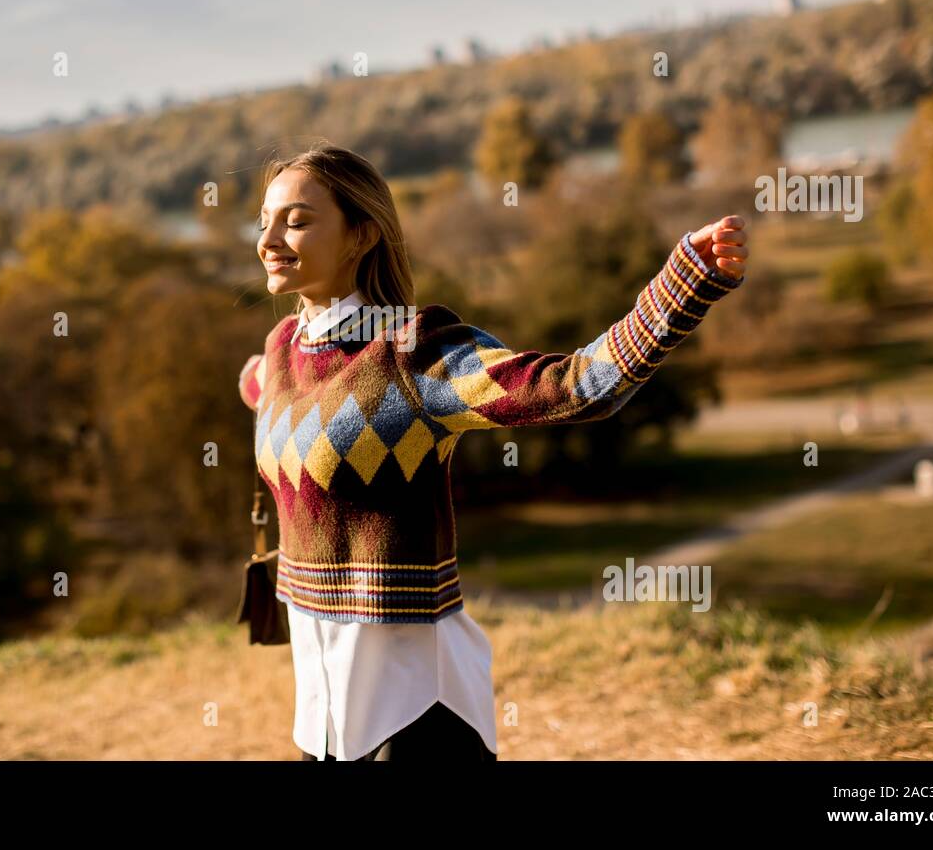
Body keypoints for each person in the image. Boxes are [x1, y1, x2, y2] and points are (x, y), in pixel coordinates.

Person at [237, 144, 747, 761]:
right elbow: (277, 397)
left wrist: (681, 286)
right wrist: (254, 382)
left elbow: (578, 386)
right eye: (264, 219)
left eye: (296, 220)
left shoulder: (413, 355)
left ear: (360, 236)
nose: (268, 239)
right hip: (318, 718)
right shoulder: (283, 347)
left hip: (414, 713)